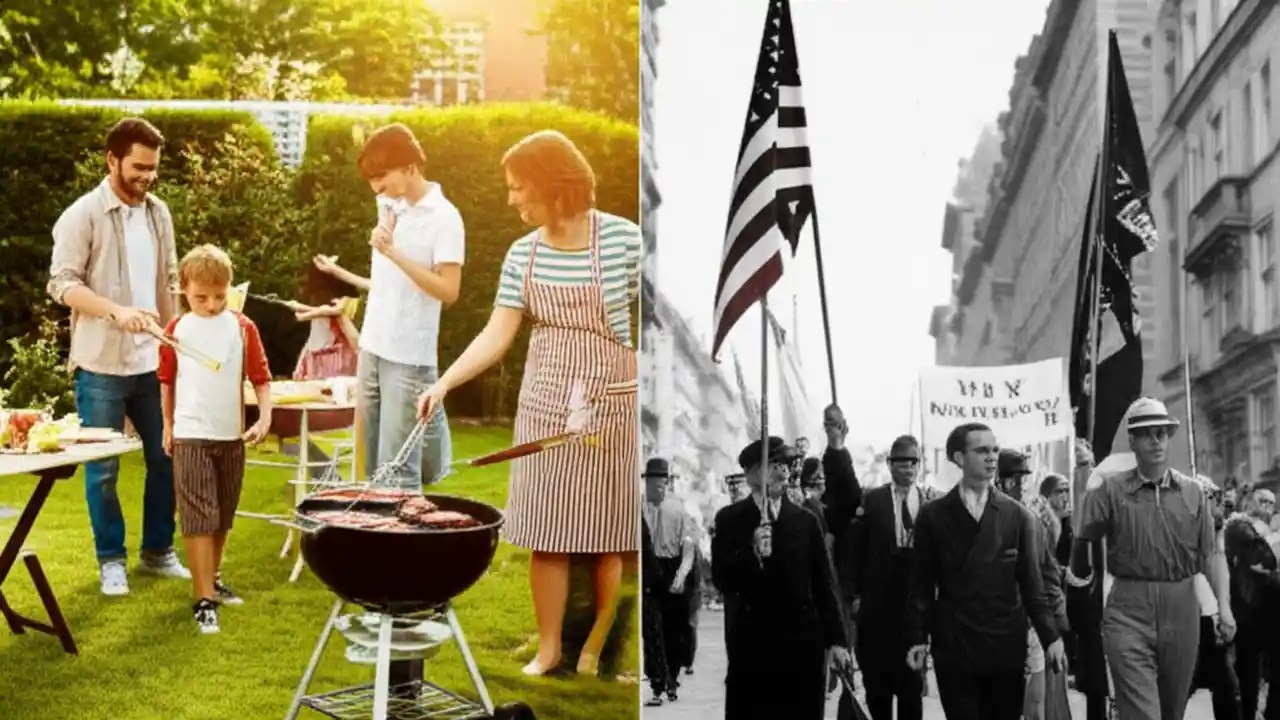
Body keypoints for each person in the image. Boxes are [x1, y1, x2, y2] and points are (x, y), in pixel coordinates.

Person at [415, 130, 640, 677]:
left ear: (550, 184)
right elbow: (497, 334)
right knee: (547, 531)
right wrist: (444, 383)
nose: (512, 198)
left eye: (519, 187)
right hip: (545, 400)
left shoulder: (624, 241)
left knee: (611, 532)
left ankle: (594, 651)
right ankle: (549, 650)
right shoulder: (524, 252)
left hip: (612, 403)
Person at [47, 116, 190, 595]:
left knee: (167, 458)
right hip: (102, 364)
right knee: (103, 469)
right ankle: (111, 559)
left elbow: (169, 282)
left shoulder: (159, 213)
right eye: (139, 167)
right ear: (112, 160)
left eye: (153, 168)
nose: (148, 176)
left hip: (153, 364)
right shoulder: (81, 215)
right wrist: (114, 312)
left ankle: (157, 552)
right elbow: (62, 284)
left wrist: (176, 344)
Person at [314, 123, 463, 491]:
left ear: (411, 167)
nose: (375, 187)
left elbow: (449, 290)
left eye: (381, 176)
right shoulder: (390, 205)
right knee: (367, 462)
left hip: (408, 356)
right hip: (372, 347)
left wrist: (395, 253)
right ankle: (371, 540)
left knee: (398, 470)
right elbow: (386, 283)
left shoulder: (445, 218)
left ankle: (401, 545)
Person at [1069, 397, 1221, 720]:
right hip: (1128, 607)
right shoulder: (1109, 490)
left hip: (1181, 606)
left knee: (1171, 712)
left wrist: (1225, 607)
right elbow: (1082, 534)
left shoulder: (1193, 492)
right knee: (1142, 714)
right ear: (1133, 441)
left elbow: (1210, 555)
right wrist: (1084, 471)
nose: (1156, 440)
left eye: (1162, 433)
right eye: (1147, 433)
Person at [904, 422, 1065, 720]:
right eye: (981, 450)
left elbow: (1033, 585)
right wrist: (917, 636)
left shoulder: (1018, 517)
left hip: (1004, 645)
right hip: (955, 644)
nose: (991, 457)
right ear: (959, 458)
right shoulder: (933, 516)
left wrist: (1051, 636)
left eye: (994, 450)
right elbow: (922, 584)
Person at [156, 245, 272, 632]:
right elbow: (166, 381)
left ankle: (213, 578)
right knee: (197, 515)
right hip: (191, 433)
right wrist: (168, 424)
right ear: (184, 290)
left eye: (219, 296)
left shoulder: (242, 327)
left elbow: (260, 377)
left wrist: (265, 417)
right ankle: (203, 598)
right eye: (201, 297)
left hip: (230, 435)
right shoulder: (177, 329)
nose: (210, 304)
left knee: (222, 513)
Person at [712, 436, 852, 719]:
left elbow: (824, 584)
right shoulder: (729, 519)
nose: (783, 472)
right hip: (752, 646)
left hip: (802, 646)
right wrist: (751, 553)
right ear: (751, 474)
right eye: (774, 464)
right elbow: (722, 579)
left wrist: (837, 640)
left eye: (786, 465)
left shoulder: (805, 520)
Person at [847, 435, 935, 720]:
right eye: (902, 463)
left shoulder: (930, 503)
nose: (908, 469)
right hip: (877, 605)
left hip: (912, 608)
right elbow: (855, 553)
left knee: (911, 687)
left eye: (913, 463)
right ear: (890, 465)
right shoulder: (873, 500)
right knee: (877, 686)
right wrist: (855, 596)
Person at [642, 458, 696, 700]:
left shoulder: (679, 510)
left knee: (674, 630)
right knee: (652, 629)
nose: (656, 488)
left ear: (668, 483)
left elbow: (688, 548)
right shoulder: (640, 508)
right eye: (652, 483)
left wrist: (681, 575)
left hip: (673, 567)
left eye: (661, 483)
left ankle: (672, 678)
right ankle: (656, 683)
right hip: (650, 571)